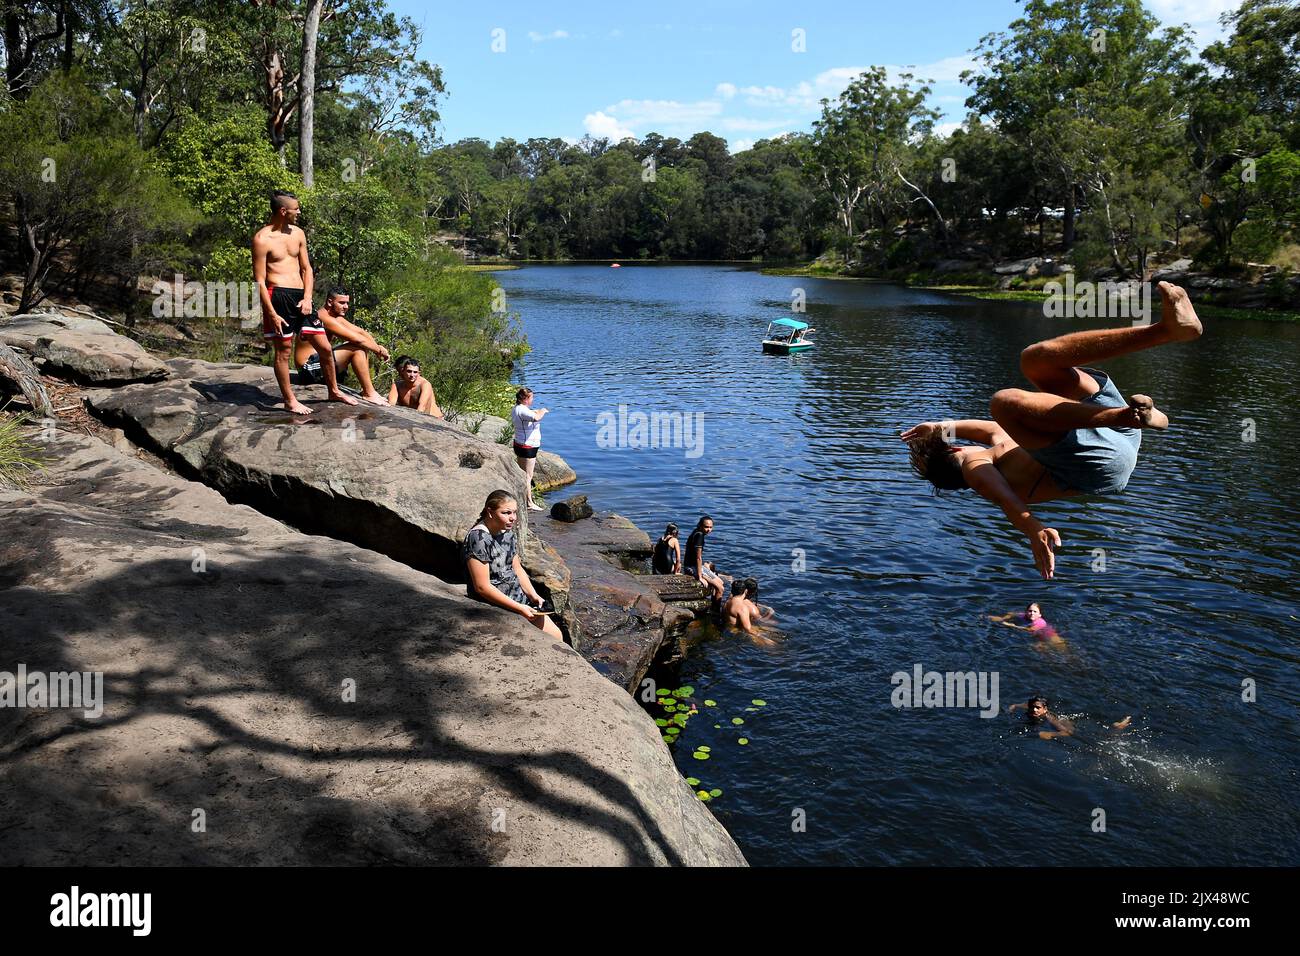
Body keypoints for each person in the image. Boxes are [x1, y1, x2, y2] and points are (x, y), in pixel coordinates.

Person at [901, 280, 1203, 580]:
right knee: (1004, 403)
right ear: (955, 449)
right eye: (956, 442)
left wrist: (938, 427)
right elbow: (1007, 500)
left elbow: (981, 429)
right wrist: (1034, 529)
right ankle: (1126, 417)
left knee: (1035, 360)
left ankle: (1167, 331)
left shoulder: (995, 448)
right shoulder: (974, 468)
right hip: (1098, 460)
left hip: (1108, 432)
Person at [252, 189, 357, 415]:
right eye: (295, 209)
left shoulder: (298, 233)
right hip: (277, 296)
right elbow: (259, 281)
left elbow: (306, 268)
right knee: (284, 351)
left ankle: (333, 390)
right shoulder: (262, 239)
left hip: (301, 296)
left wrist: (308, 296)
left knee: (325, 348)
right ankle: (290, 401)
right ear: (283, 211)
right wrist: (271, 313)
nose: (299, 212)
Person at [463, 490, 562, 640]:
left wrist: (533, 596)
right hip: (494, 602)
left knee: (556, 635)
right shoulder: (478, 538)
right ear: (490, 512)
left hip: (517, 597)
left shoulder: (507, 533)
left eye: (514, 512)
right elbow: (481, 587)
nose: (513, 518)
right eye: (506, 513)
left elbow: (516, 569)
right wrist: (520, 608)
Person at [293, 286, 390, 405]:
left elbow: (361, 332)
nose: (346, 307)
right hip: (307, 369)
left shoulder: (335, 317)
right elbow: (356, 339)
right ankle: (369, 393)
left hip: (320, 363)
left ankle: (369, 391)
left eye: (347, 303)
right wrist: (378, 351)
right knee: (356, 348)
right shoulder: (322, 317)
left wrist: (378, 346)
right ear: (329, 302)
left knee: (360, 347)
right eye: (342, 303)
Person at [1009, 696, 1132, 741]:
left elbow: (1067, 732)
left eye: (1038, 708)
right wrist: (1014, 706)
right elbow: (1025, 705)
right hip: (1060, 719)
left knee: (1096, 739)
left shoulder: (1050, 718)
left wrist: (1050, 734)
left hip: (1063, 722)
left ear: (1045, 709)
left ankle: (1116, 728)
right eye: (1033, 707)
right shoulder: (1031, 709)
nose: (1034, 710)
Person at [511, 387, 548, 511]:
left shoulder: (517, 409)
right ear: (525, 398)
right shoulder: (522, 410)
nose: (533, 399)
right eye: (531, 397)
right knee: (527, 476)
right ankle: (529, 503)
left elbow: (530, 414)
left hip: (520, 444)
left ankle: (522, 498)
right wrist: (542, 410)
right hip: (528, 446)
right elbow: (536, 418)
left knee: (522, 474)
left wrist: (536, 411)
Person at [683, 515, 724, 602]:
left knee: (721, 582)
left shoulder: (696, 532)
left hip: (692, 565)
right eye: (706, 527)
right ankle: (715, 610)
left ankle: (713, 602)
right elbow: (698, 558)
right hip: (691, 567)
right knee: (720, 588)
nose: (709, 529)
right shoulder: (699, 536)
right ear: (700, 526)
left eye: (710, 527)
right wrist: (700, 577)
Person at [989, 602, 1061, 642]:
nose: (1032, 613)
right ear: (1026, 612)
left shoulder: (1040, 622)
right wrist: (1003, 618)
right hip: (1038, 637)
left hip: (1050, 635)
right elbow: (1011, 613)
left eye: (1035, 611)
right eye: (1030, 611)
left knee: (1061, 650)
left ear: (1040, 615)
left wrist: (1012, 625)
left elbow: (1030, 629)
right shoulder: (1024, 616)